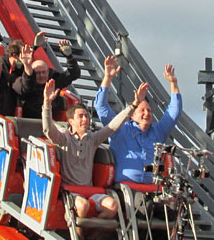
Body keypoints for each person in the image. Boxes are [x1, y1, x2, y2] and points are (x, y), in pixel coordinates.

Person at [42, 78, 146, 219]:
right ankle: (80, 236)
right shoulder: (63, 138)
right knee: (83, 206)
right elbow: (48, 129)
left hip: (90, 190)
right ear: (71, 121)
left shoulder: (92, 139)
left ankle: (92, 235)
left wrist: (133, 105)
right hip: (70, 191)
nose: (85, 119)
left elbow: (113, 126)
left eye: (86, 116)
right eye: (81, 117)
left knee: (113, 205)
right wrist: (47, 104)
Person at [94, 57, 181, 184]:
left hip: (152, 190)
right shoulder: (120, 129)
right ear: (132, 115)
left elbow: (174, 112)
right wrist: (107, 77)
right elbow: (101, 106)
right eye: (142, 110)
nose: (147, 114)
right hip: (126, 190)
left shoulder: (157, 132)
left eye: (149, 111)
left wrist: (173, 83)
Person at [14, 37, 80, 119]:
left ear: (48, 72)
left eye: (44, 72)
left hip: (50, 122)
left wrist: (69, 57)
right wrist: (34, 47)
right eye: (38, 73)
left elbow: (73, 74)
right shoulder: (24, 83)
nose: (42, 75)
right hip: (27, 123)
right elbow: (19, 71)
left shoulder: (53, 81)